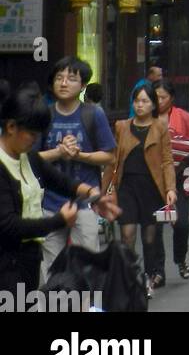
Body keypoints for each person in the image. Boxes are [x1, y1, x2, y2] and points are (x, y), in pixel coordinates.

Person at [0, 81, 120, 293]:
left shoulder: (28, 158)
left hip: (27, 260)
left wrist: (92, 194)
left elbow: (61, 181)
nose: (35, 140)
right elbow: (8, 225)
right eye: (32, 134)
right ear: (11, 127)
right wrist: (58, 221)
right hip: (6, 264)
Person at [36, 56, 115, 282]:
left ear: (82, 85)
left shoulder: (93, 114)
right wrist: (58, 153)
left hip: (85, 204)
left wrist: (81, 155)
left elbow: (109, 155)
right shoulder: (44, 114)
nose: (64, 83)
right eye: (59, 78)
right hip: (49, 204)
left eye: (71, 78)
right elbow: (31, 158)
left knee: (87, 266)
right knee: (50, 270)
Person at [102, 79, 176, 295]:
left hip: (152, 188)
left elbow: (167, 160)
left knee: (150, 237)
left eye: (144, 101)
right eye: (136, 101)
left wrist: (170, 188)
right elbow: (112, 160)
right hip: (127, 187)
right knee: (127, 232)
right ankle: (130, 276)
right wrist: (102, 190)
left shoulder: (160, 127)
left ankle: (149, 276)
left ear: (153, 104)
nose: (139, 105)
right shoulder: (122, 127)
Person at [145, 79, 189, 285]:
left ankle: (180, 258)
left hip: (181, 176)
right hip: (152, 179)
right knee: (155, 225)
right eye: (156, 97)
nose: (159, 101)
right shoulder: (146, 117)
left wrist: (175, 148)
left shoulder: (184, 117)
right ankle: (157, 271)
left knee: (182, 223)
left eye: (163, 97)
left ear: (172, 99)